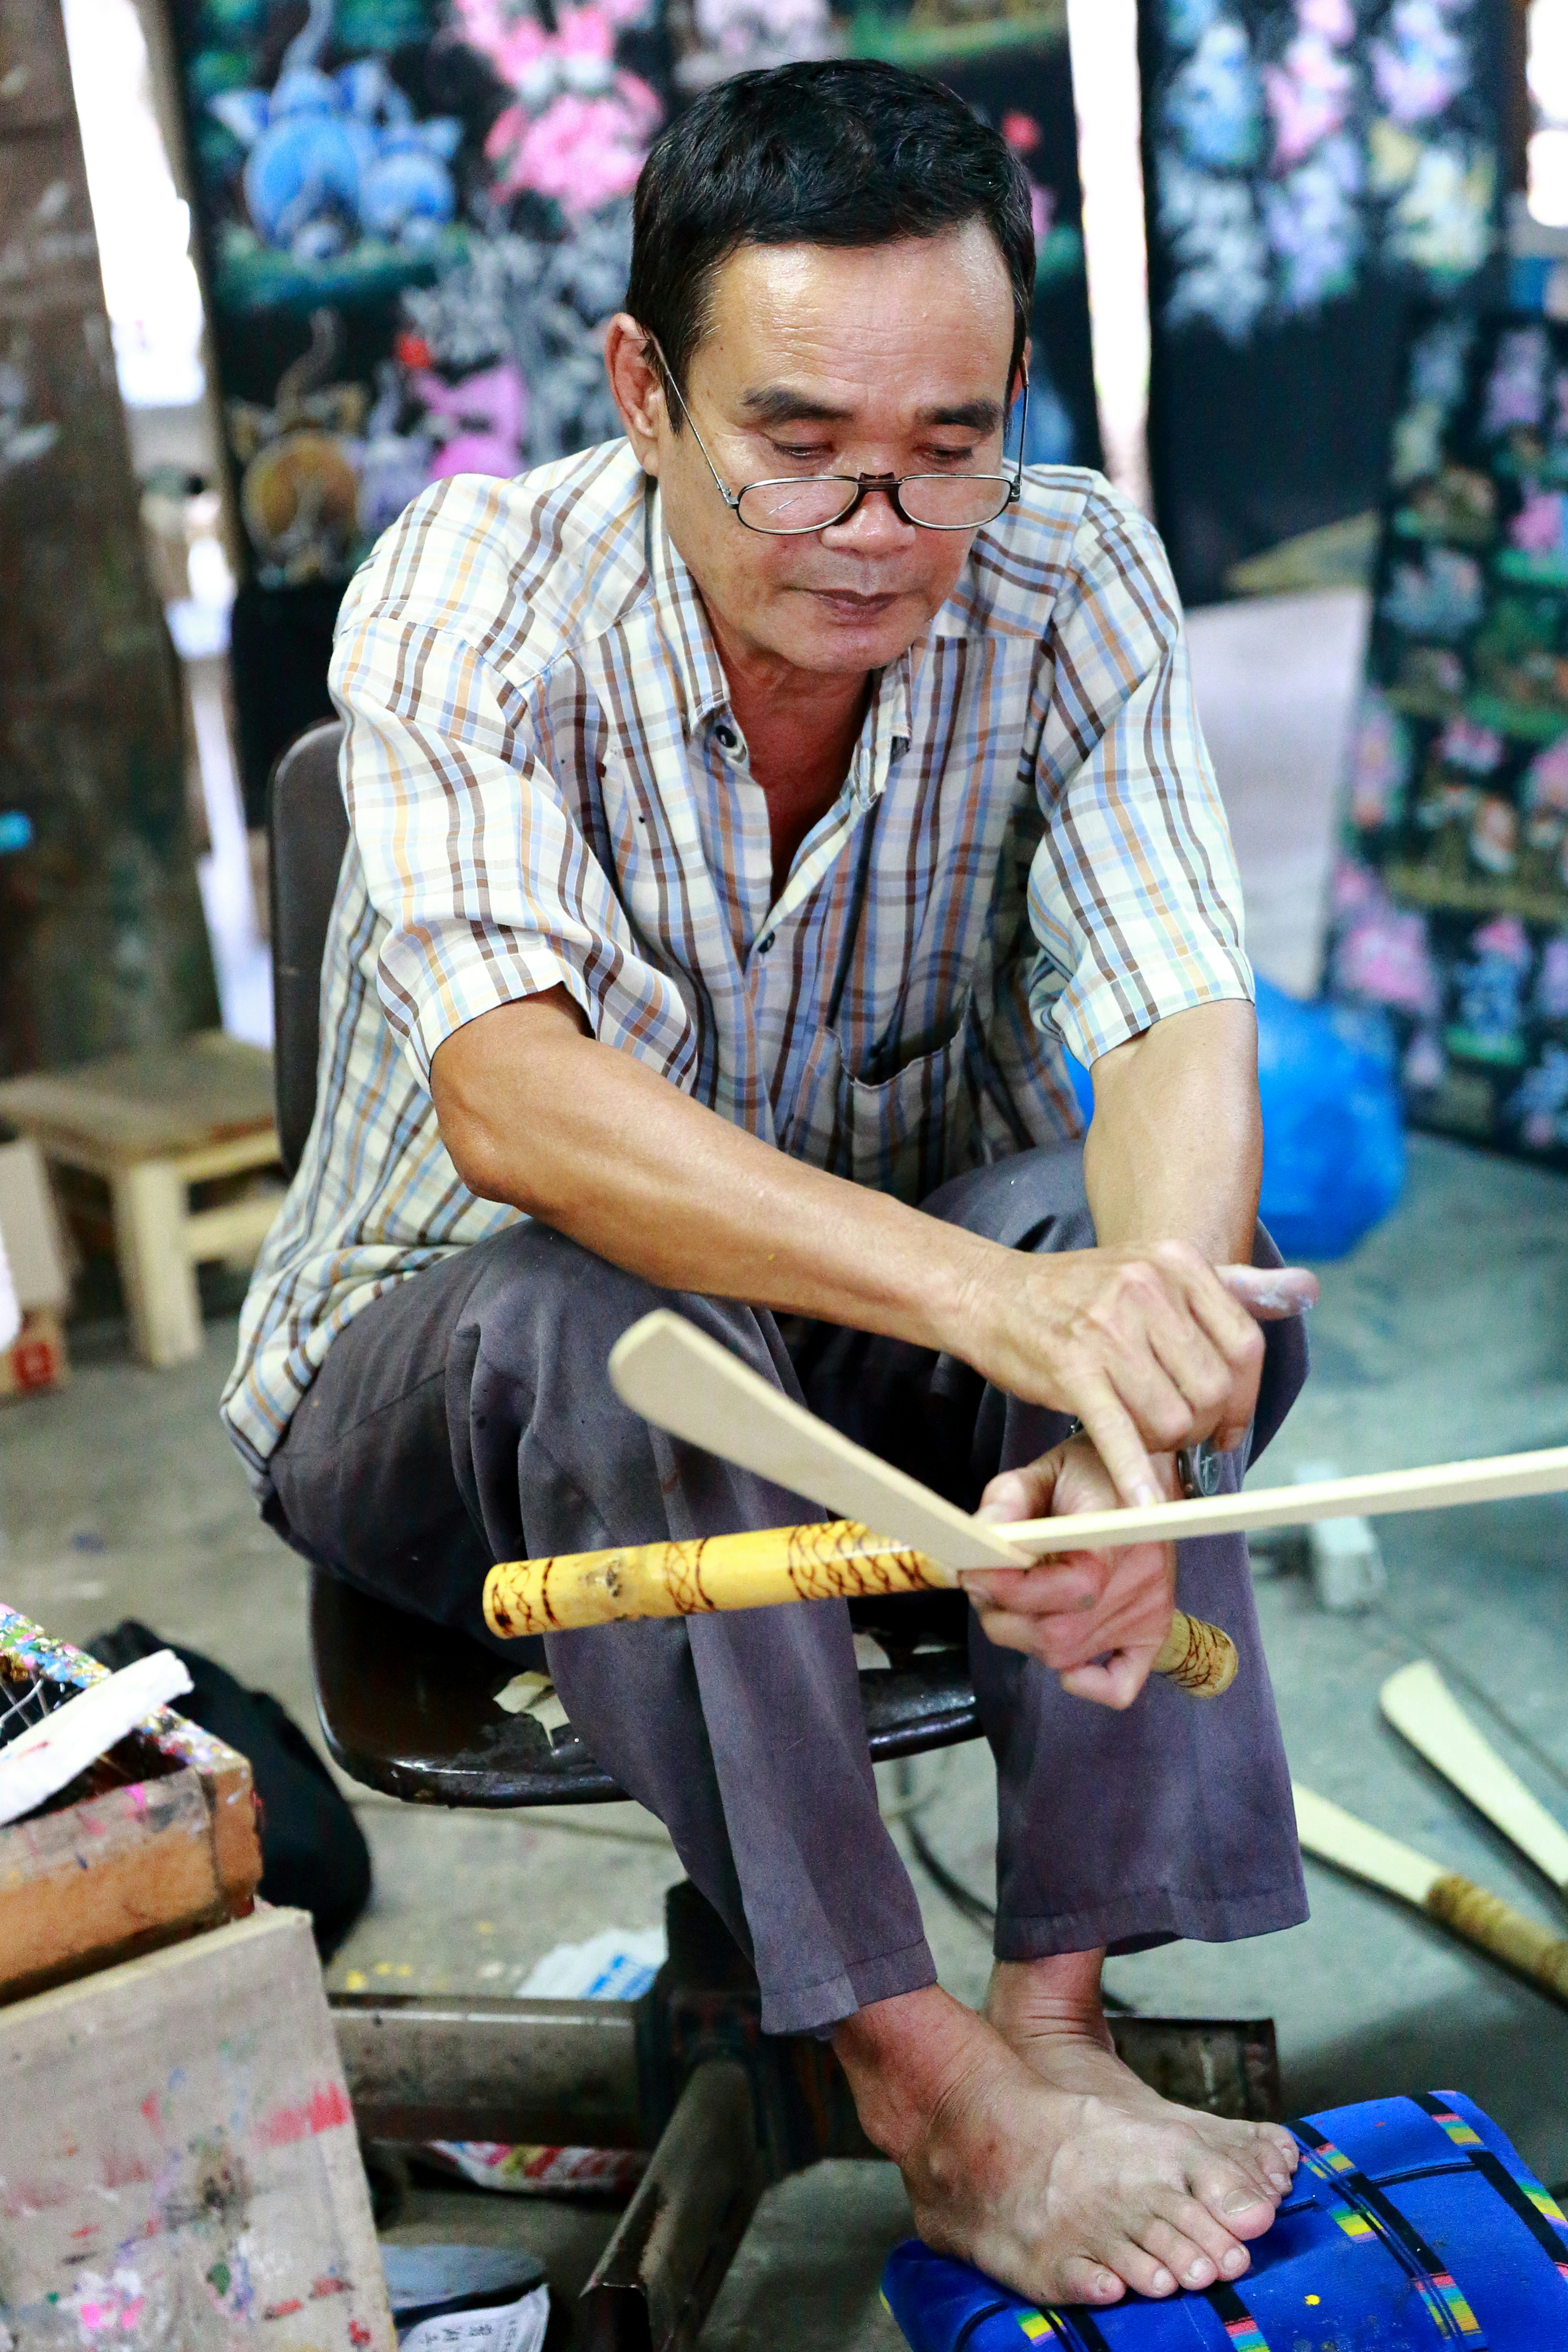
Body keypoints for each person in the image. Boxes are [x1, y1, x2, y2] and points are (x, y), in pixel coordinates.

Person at [224, 59, 1319, 2311]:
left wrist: (1133, 1383)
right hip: (469, 1405)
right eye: (798, 446)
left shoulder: (1072, 570)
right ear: (644, 385)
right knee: (603, 1317)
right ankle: (917, 2086)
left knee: (1154, 1276)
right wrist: (1009, 1309)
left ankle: (1051, 2028)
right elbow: (518, 1110)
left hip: (883, 1352)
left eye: (946, 449)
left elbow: (1179, 1015)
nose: (881, 523)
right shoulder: (474, 590)